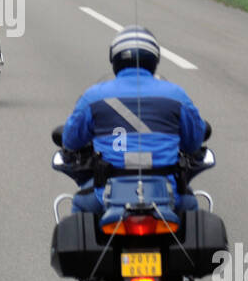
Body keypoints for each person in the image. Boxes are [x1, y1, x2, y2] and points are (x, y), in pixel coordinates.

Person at [62, 26, 208, 219]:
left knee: (81, 203)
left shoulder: (93, 96)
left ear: (115, 60)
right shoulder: (177, 95)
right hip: (166, 196)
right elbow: (193, 143)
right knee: (191, 206)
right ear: (154, 60)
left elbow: (71, 141)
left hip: (106, 196)